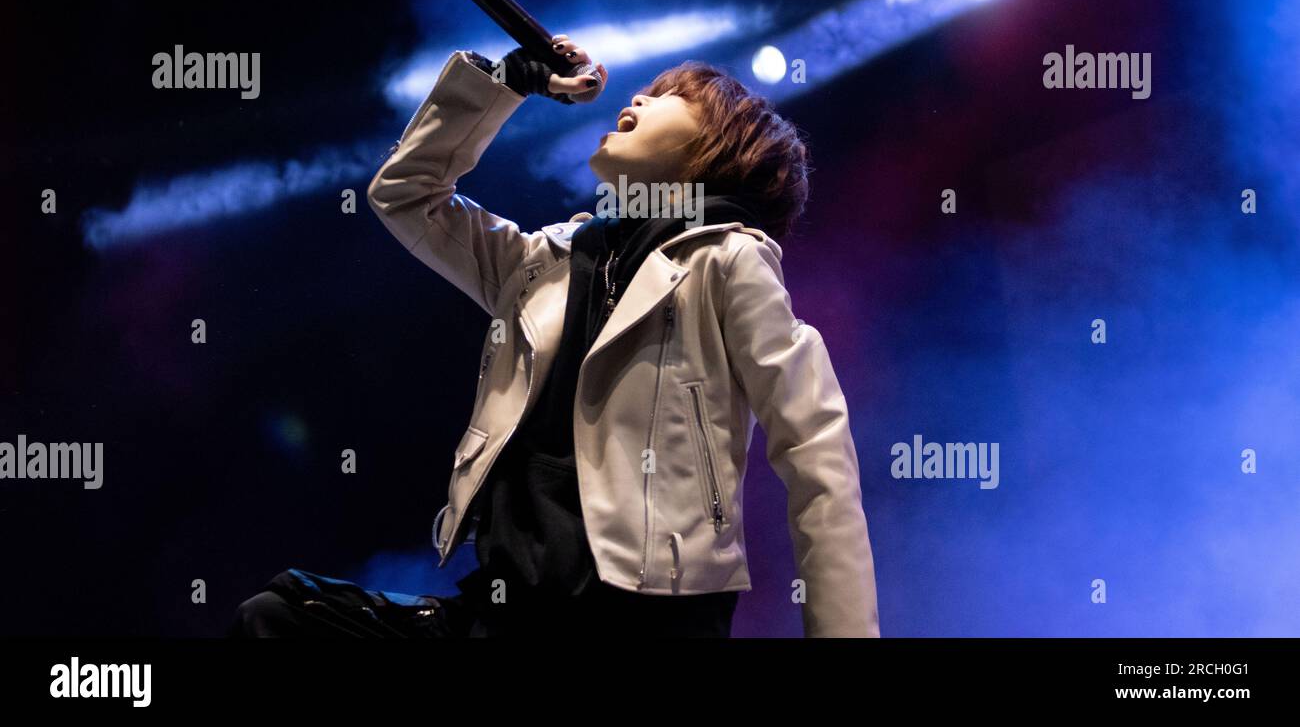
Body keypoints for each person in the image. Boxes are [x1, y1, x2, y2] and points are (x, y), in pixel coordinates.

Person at [229, 35, 880, 638]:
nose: (638, 98)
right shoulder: (545, 262)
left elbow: (816, 454)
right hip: (505, 611)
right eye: (644, 90)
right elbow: (407, 193)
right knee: (281, 621)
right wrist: (505, 83)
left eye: (670, 96)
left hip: (642, 618)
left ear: (718, 147)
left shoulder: (728, 261)